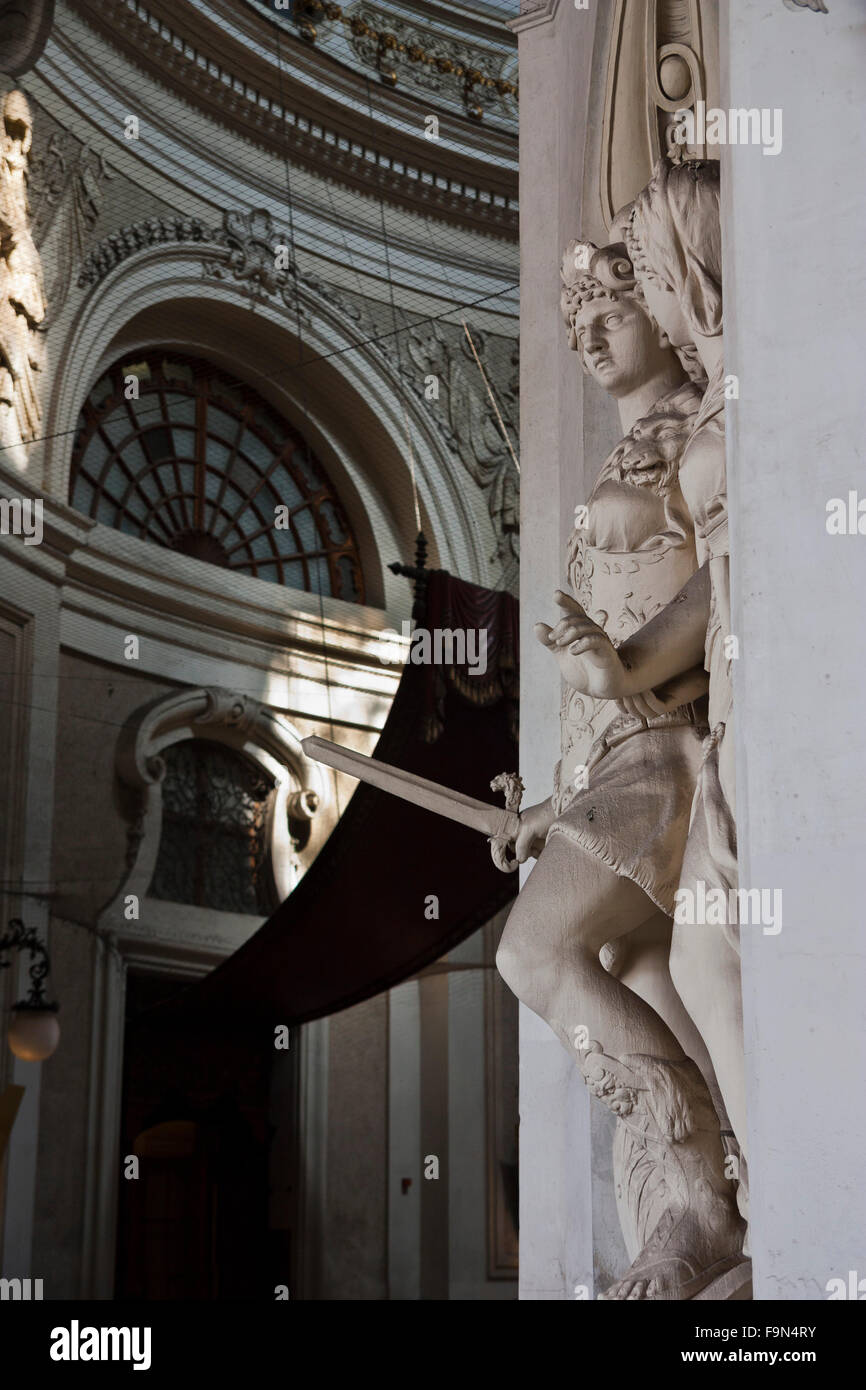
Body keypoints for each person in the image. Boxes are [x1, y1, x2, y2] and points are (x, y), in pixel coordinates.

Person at [496, 231, 745, 1299]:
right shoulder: (617, 448)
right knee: (651, 988)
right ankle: (709, 1200)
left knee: (532, 952)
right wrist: (545, 808)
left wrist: (621, 665)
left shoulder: (702, 426)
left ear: (658, 306)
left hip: (663, 754)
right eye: (575, 324)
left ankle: (700, 1198)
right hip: (607, 766)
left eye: (610, 310)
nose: (588, 336)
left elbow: (720, 580)